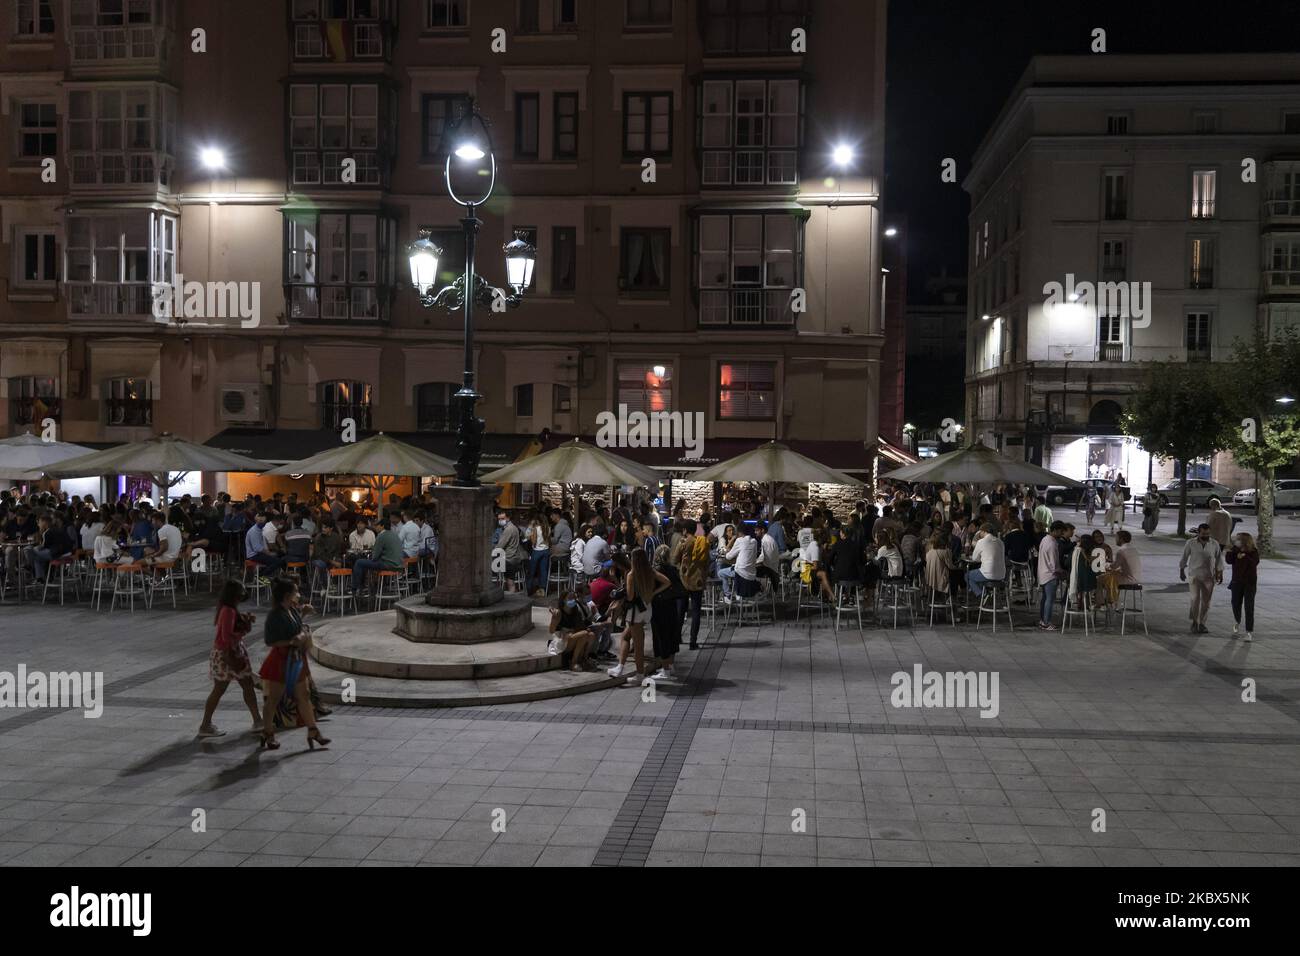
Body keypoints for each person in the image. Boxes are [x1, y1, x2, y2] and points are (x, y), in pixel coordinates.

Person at [257, 578, 329, 751]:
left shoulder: (292, 611)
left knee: (303, 696)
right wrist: (291, 642)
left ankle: (313, 730)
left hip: (296, 660)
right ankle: (268, 732)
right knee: (273, 700)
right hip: (281, 661)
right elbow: (270, 641)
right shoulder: (275, 615)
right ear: (287, 595)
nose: (298, 595)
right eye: (296, 592)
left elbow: (298, 629)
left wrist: (303, 619)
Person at [199, 581, 263, 738]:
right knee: (227, 688)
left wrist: (244, 621)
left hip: (226, 653)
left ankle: (257, 720)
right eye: (241, 591)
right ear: (234, 594)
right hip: (227, 655)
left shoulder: (228, 609)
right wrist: (243, 631)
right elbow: (226, 636)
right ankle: (206, 725)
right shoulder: (228, 611)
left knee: (243, 685)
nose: (243, 593)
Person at [608, 549, 669, 681]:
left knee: (638, 645)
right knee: (625, 636)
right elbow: (667, 582)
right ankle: (620, 667)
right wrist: (653, 593)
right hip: (647, 608)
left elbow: (630, 597)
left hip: (635, 611)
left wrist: (621, 594)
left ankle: (639, 674)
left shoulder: (631, 574)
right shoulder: (650, 571)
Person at [1179, 522, 1224, 634]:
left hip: (1209, 576)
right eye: (1203, 533)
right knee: (1195, 600)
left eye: (1208, 533)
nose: (1206, 536)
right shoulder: (1190, 543)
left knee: (1206, 602)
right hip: (1194, 575)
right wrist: (1181, 570)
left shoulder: (1214, 544)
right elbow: (1184, 557)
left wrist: (1220, 573)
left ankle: (1202, 623)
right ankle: (1195, 621)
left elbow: (1219, 559)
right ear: (1198, 533)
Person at [649, 545, 685, 680]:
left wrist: (652, 594)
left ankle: (665, 670)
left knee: (661, 636)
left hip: (659, 606)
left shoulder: (656, 570)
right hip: (672, 605)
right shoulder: (673, 569)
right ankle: (670, 665)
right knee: (671, 634)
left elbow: (655, 587)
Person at [548, 591, 597, 671]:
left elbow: (580, 627)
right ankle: (573, 662)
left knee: (591, 635)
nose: (573, 600)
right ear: (563, 600)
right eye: (570, 598)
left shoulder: (576, 612)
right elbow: (551, 631)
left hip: (571, 637)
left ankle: (584, 658)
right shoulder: (559, 612)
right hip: (561, 641)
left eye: (574, 598)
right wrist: (553, 620)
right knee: (584, 634)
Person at [678, 527, 710, 650]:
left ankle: (677, 638)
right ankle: (693, 641)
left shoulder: (684, 543)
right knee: (696, 611)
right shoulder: (703, 542)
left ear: (686, 530)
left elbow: (674, 558)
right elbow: (707, 561)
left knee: (681, 610)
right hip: (697, 581)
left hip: (684, 580)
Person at [1225, 531, 1259, 642]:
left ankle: (1249, 631)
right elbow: (1228, 560)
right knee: (1235, 603)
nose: (1236, 540)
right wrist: (1231, 552)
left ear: (1245, 541)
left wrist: (1244, 556)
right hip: (1236, 582)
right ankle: (1237, 621)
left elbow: (1255, 562)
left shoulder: (1253, 552)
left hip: (1249, 583)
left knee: (1249, 607)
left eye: (1239, 539)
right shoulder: (1235, 550)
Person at [1036, 521, 1066, 630]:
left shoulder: (1045, 539)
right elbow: (1054, 565)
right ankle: (1046, 622)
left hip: (1042, 573)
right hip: (1050, 575)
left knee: (1045, 598)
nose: (1062, 534)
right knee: (1050, 599)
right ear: (1056, 530)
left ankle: (1042, 620)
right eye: (1061, 531)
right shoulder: (1053, 544)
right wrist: (1062, 572)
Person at [719, 522, 758, 603]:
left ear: (739, 532)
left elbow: (729, 556)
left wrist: (726, 553)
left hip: (740, 572)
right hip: (751, 573)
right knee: (730, 568)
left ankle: (728, 595)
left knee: (720, 572)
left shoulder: (739, 540)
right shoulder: (754, 541)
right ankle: (734, 593)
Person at [966, 527, 1006, 598]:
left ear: (983, 531)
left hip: (988, 573)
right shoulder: (1000, 542)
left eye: (980, 532)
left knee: (967, 575)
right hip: (1002, 574)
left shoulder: (981, 541)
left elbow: (974, 558)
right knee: (978, 575)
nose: (979, 534)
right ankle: (984, 594)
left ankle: (982, 595)